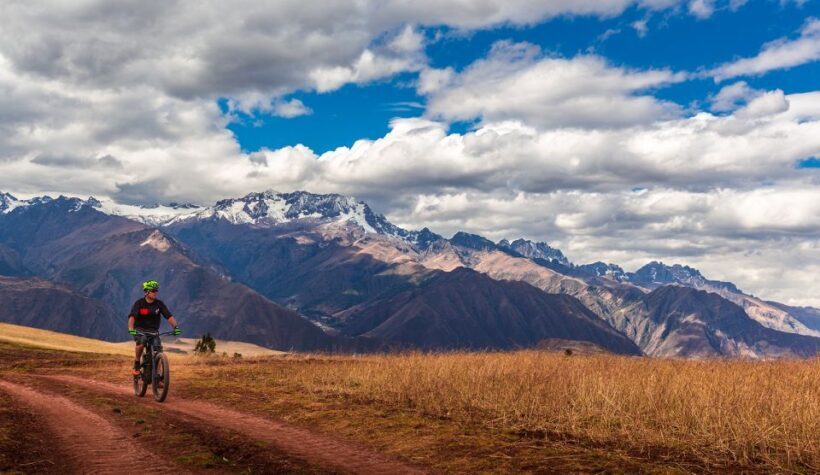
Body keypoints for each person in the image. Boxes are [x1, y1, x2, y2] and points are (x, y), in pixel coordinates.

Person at [128, 280, 181, 376]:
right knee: (142, 341)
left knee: (158, 351)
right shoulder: (139, 303)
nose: (155, 292)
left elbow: (168, 316)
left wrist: (175, 327)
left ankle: (158, 376)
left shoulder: (159, 304)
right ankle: (137, 363)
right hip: (140, 330)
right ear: (146, 292)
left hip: (153, 331)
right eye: (153, 291)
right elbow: (132, 317)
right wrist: (131, 329)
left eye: (156, 290)